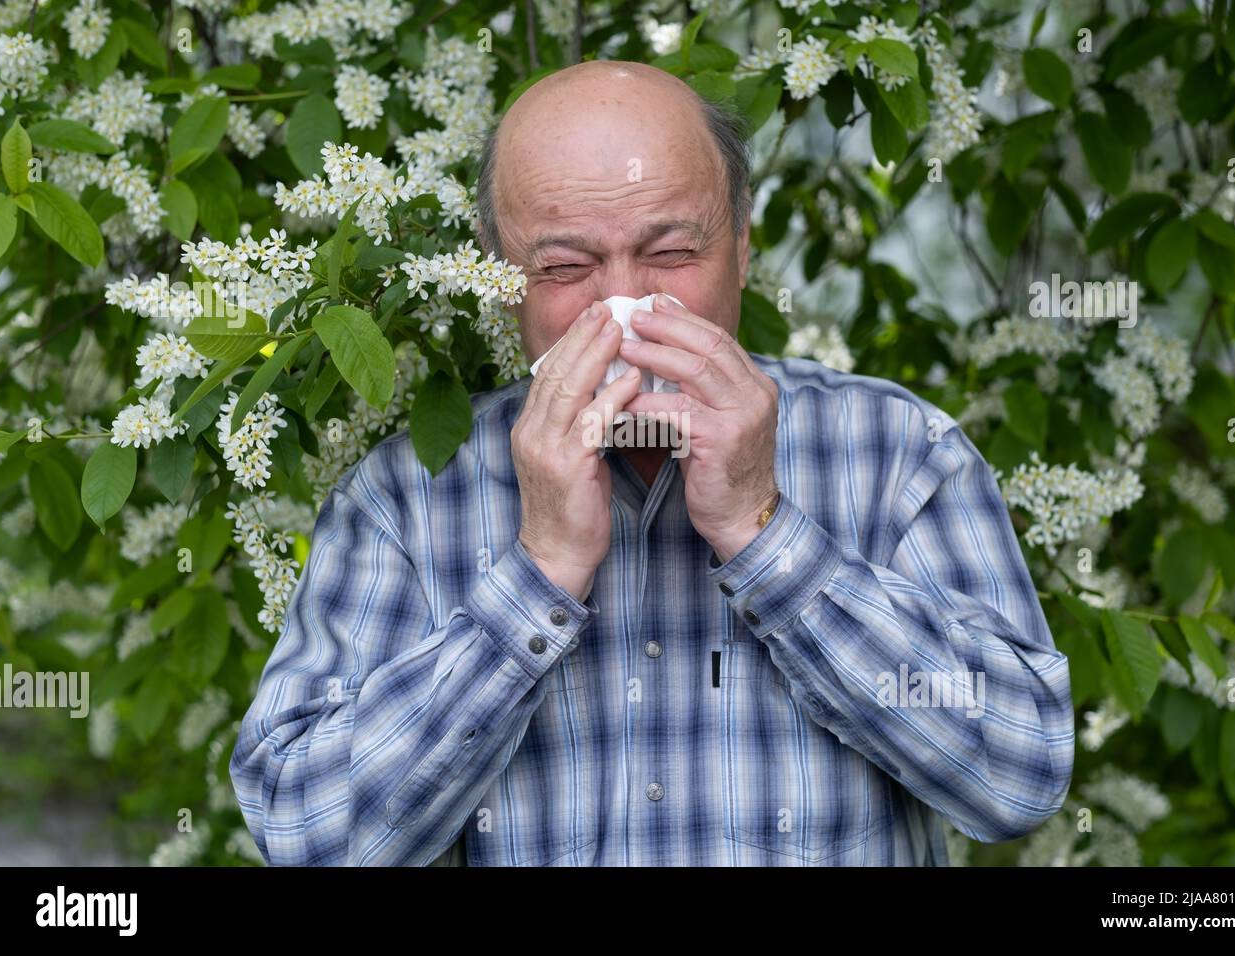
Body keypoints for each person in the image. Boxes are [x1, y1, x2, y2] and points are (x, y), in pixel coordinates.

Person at [230, 60, 1074, 866]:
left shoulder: (897, 453)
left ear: (742, 247)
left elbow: (1020, 776)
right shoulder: (408, 498)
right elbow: (308, 835)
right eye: (564, 266)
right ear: (499, 274)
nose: (623, 307)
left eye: (672, 253)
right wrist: (539, 575)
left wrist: (763, 534)